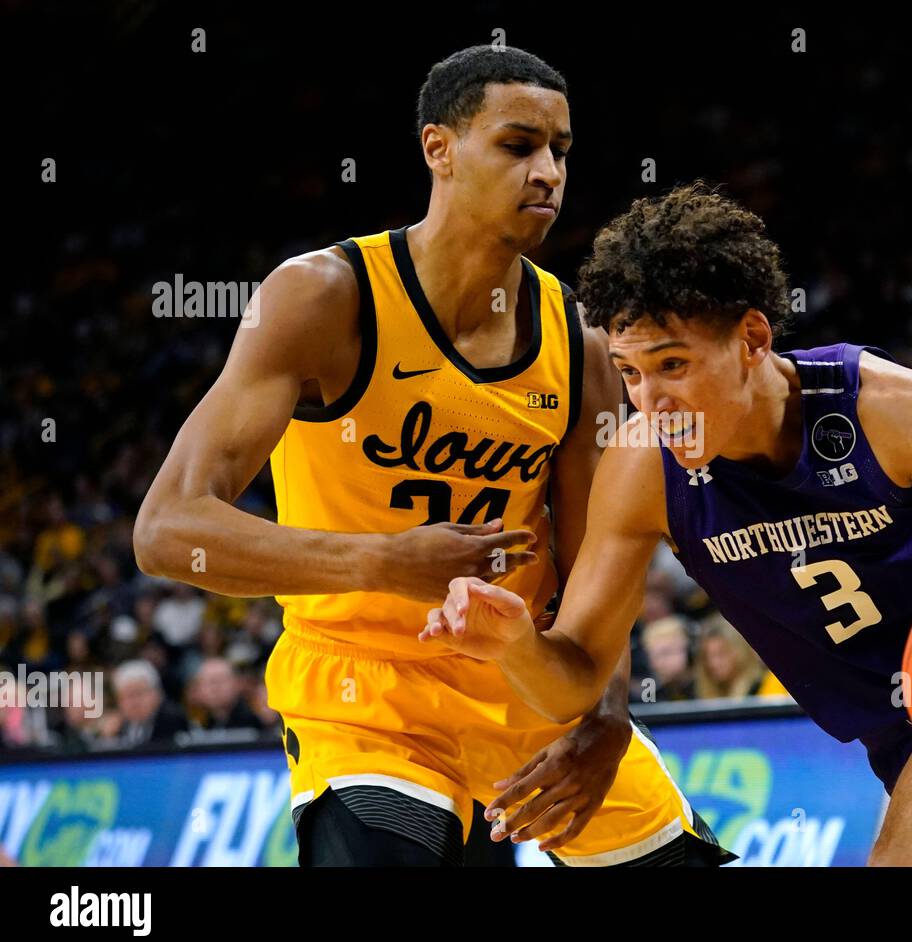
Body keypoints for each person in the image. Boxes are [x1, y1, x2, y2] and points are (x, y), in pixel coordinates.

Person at [423, 183, 912, 866]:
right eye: (629, 372)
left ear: (753, 339)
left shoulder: (886, 407)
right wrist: (516, 644)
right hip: (905, 750)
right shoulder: (643, 468)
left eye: (673, 365)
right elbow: (575, 678)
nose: (650, 399)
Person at [134, 48, 727, 867]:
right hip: (366, 692)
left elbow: (600, 562)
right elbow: (167, 529)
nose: (547, 171)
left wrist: (606, 716)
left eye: (560, 149)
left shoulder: (578, 338)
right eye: (519, 146)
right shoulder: (321, 298)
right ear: (438, 149)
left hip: (528, 685)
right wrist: (383, 561)